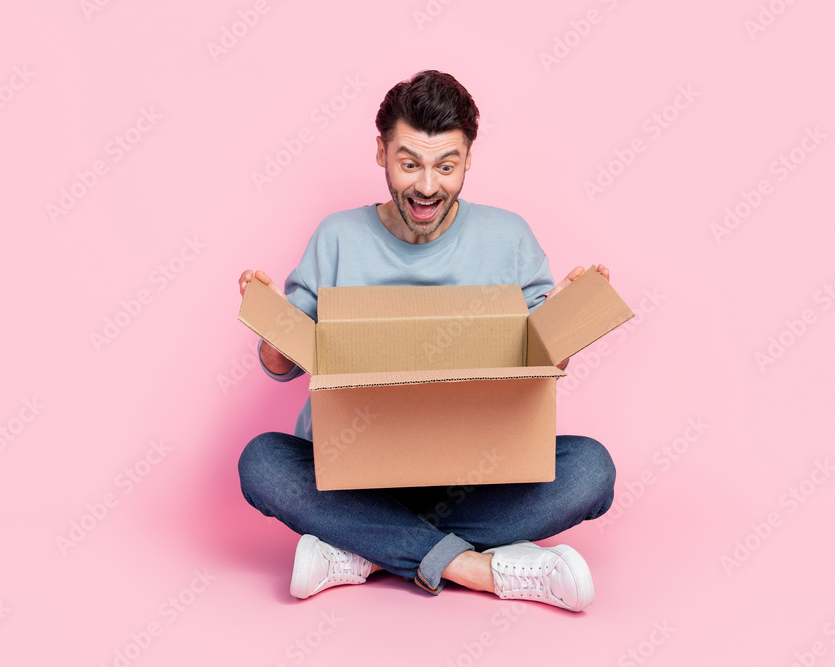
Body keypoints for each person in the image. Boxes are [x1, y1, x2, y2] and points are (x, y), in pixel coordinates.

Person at [237, 70, 616, 612]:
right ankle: (480, 569)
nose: (427, 187)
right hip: (353, 478)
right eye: (409, 163)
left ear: (468, 158)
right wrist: (272, 325)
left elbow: (543, 357)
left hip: (477, 481)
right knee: (262, 463)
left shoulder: (509, 238)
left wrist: (567, 320)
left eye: (447, 165)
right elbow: (284, 363)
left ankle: (363, 549)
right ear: (381, 152)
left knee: (591, 471)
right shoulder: (338, 237)